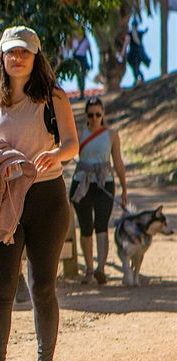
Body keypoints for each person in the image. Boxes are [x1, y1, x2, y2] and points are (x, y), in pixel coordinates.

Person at [0, 26, 78, 361]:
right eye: (11, 52)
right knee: (0, 285)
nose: (17, 58)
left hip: (46, 197)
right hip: (3, 199)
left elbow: (72, 143)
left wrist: (57, 154)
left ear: (36, 57)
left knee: (42, 285)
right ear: (1, 56)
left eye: (25, 52)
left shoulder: (53, 96)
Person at [69, 97, 128, 284]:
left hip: (104, 182)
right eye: (90, 115)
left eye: (97, 114)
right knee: (85, 227)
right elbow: (67, 154)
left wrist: (124, 188)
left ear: (103, 114)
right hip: (82, 183)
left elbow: (118, 162)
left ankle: (100, 268)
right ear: (86, 115)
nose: (94, 118)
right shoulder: (79, 133)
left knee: (102, 225)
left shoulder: (111, 134)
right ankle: (88, 269)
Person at [125, 18, 150, 85]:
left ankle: (139, 79)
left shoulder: (138, 33)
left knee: (136, 67)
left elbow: (137, 41)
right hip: (132, 54)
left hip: (137, 54)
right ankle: (138, 79)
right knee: (135, 68)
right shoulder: (130, 34)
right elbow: (126, 42)